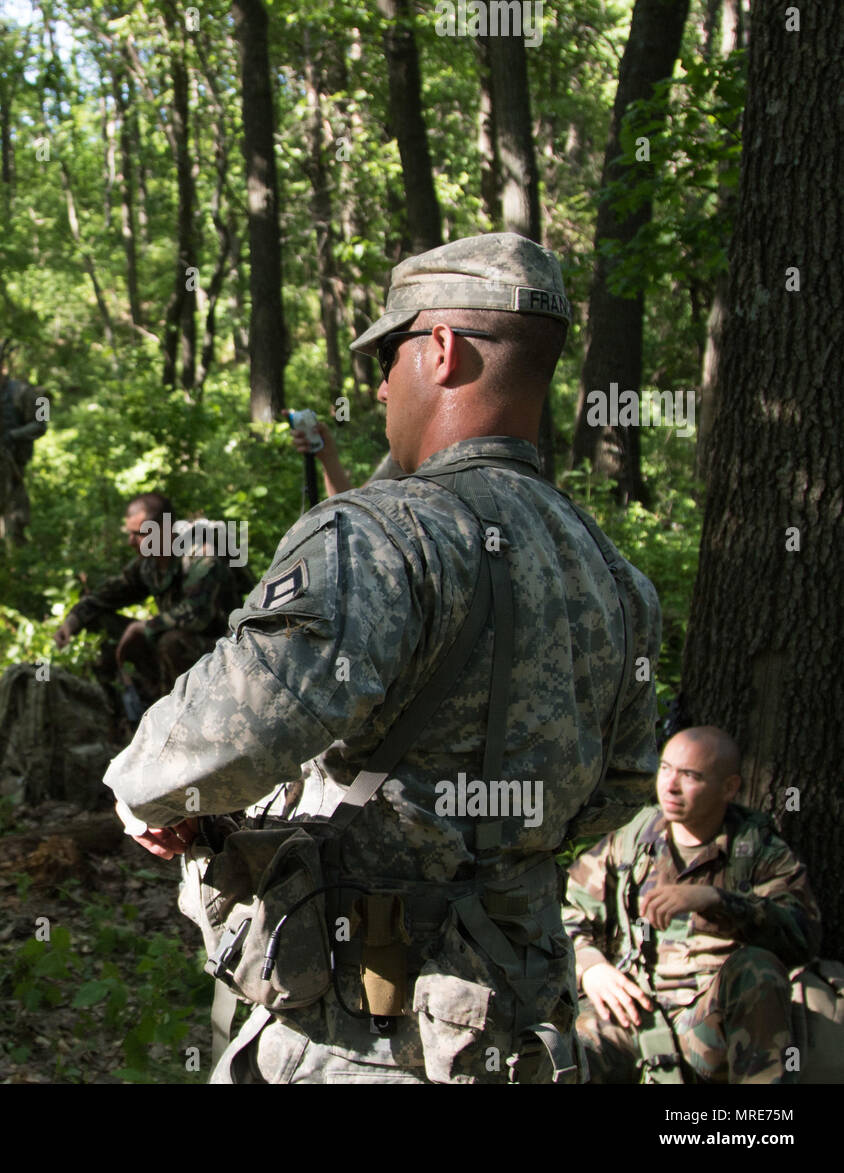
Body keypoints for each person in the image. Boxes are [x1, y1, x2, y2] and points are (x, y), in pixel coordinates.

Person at [102, 232, 663, 1083]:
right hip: (518, 1036)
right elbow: (616, 789)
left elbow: (218, 738)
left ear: (440, 349)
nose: (378, 383)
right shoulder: (615, 575)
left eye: (389, 354)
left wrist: (140, 791)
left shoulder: (378, 536)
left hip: (360, 1040)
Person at [563, 725, 820, 1085]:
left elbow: (802, 937)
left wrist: (719, 901)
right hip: (631, 1018)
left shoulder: (759, 850)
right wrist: (591, 967)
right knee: (560, 1053)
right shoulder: (630, 841)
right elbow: (563, 915)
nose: (670, 785)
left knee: (759, 967)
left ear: (729, 787)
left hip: (712, 1028)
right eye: (665, 768)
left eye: (690, 776)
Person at [52, 493, 241, 702]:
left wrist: (143, 627)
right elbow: (105, 595)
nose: (130, 541)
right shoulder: (148, 565)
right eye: (130, 533)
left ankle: (183, 709)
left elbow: (197, 614)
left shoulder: (201, 556)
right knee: (99, 622)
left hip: (220, 655)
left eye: (139, 534)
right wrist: (71, 622)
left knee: (171, 642)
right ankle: (124, 702)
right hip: (172, 650)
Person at [0, 341, 46, 544]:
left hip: (12, 469)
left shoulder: (25, 391)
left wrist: (12, 436)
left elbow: (41, 425)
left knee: (15, 529)